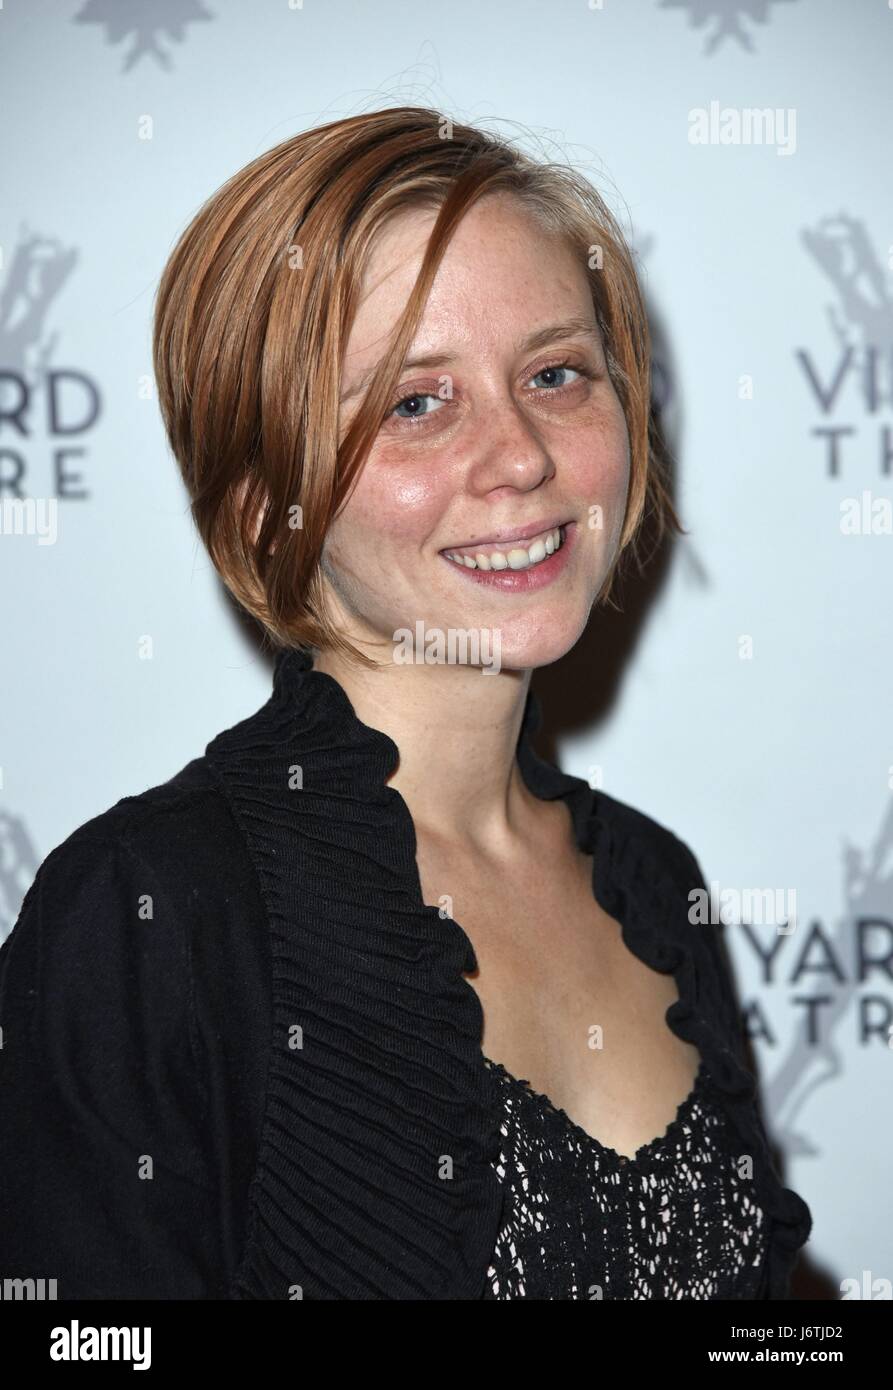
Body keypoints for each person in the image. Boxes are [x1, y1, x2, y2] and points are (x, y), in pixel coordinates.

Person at [0, 106, 812, 1300]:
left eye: (554, 373)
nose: (522, 456)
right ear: (257, 504)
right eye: (414, 403)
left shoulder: (650, 879)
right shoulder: (147, 913)